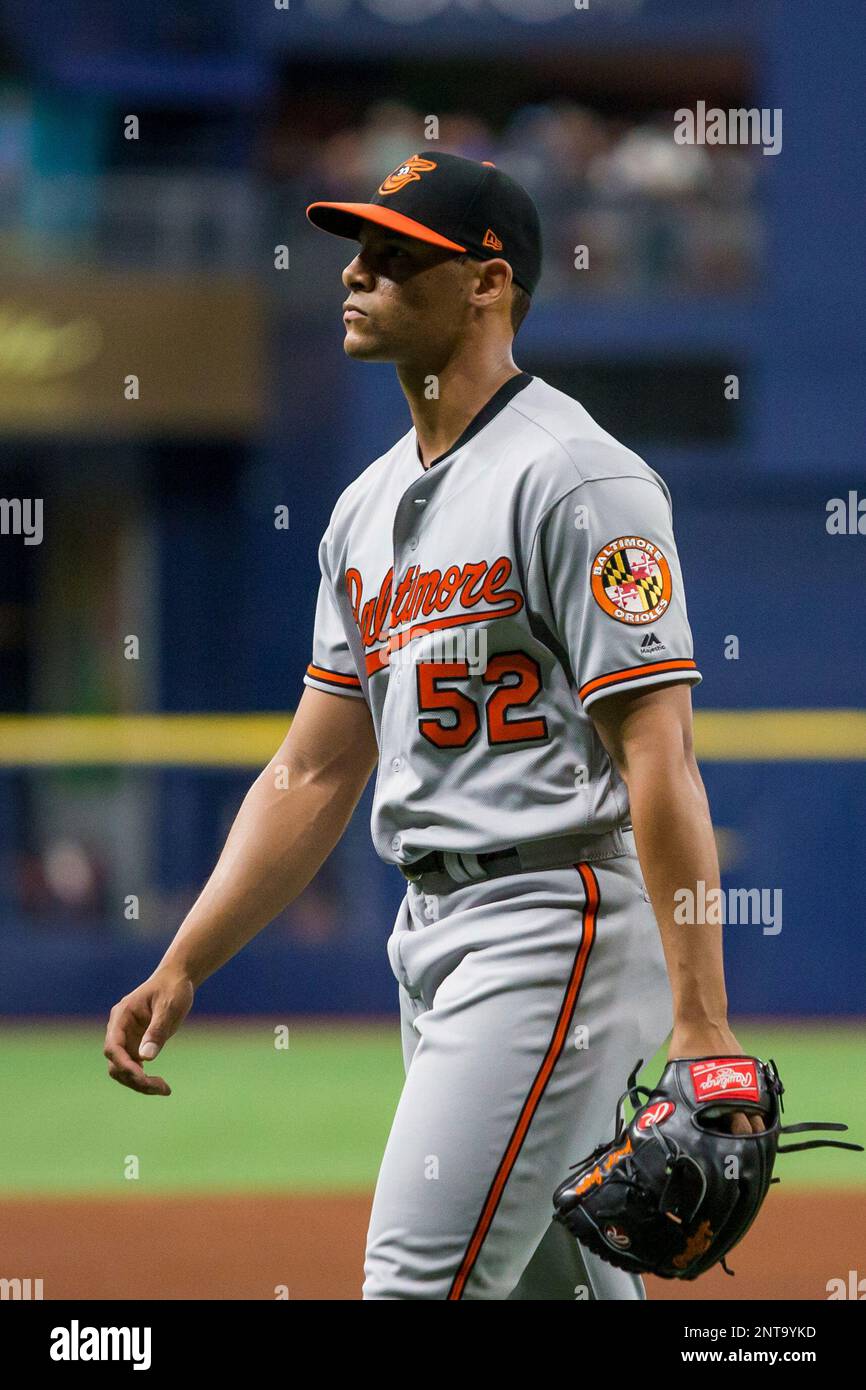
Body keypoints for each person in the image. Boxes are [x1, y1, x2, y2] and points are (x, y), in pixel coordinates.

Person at [105, 152, 761, 1301]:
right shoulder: (361, 508)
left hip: (552, 924)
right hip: (436, 933)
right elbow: (310, 771)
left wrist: (701, 1020)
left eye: (393, 256)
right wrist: (186, 958)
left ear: (485, 282)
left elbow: (659, 756)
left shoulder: (575, 478)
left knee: (414, 1286)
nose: (353, 275)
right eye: (355, 252)